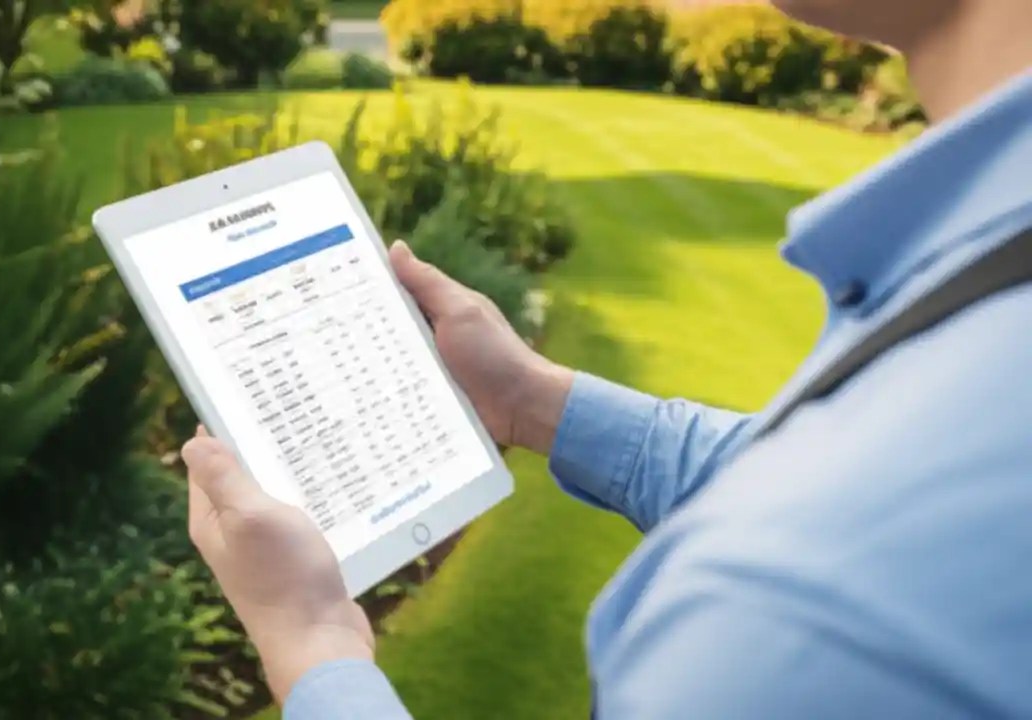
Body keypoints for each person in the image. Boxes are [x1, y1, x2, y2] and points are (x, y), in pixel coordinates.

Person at [180, 0, 1032, 716]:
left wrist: (313, 641)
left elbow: (835, 529)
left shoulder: (796, 606)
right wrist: (534, 400)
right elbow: (836, 480)